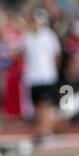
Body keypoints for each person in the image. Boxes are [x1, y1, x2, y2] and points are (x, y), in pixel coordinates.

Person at [23, 9, 61, 144]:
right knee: (38, 107)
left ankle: (47, 132)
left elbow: (56, 56)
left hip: (46, 76)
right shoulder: (28, 37)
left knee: (46, 105)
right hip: (33, 76)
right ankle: (41, 131)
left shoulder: (49, 36)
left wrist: (52, 71)